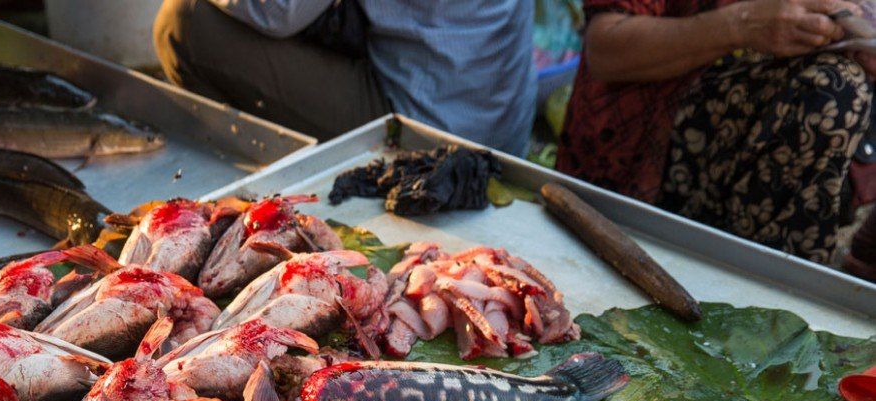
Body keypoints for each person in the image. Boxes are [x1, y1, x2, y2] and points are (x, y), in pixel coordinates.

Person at [557, 0, 876, 268]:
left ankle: (770, 294)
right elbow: (605, 49)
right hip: (639, 158)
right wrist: (742, 25)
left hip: (765, 153)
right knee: (834, 89)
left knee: (835, 89)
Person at [154, 0, 538, 157]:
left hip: (430, 129)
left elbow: (274, 9)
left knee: (185, 21)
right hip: (502, 120)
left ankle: (266, 189)